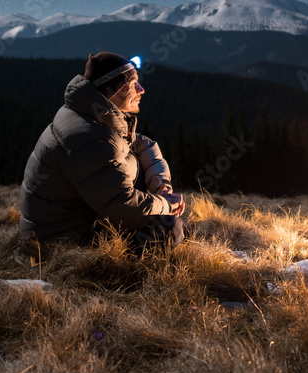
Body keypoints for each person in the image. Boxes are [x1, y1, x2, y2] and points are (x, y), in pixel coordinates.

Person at [19, 52, 185, 255]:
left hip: (71, 224)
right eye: (133, 84)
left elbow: (144, 145)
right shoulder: (92, 139)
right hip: (61, 245)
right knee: (170, 229)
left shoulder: (93, 118)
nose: (142, 90)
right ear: (114, 91)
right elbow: (123, 207)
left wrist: (161, 188)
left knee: (169, 220)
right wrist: (166, 205)